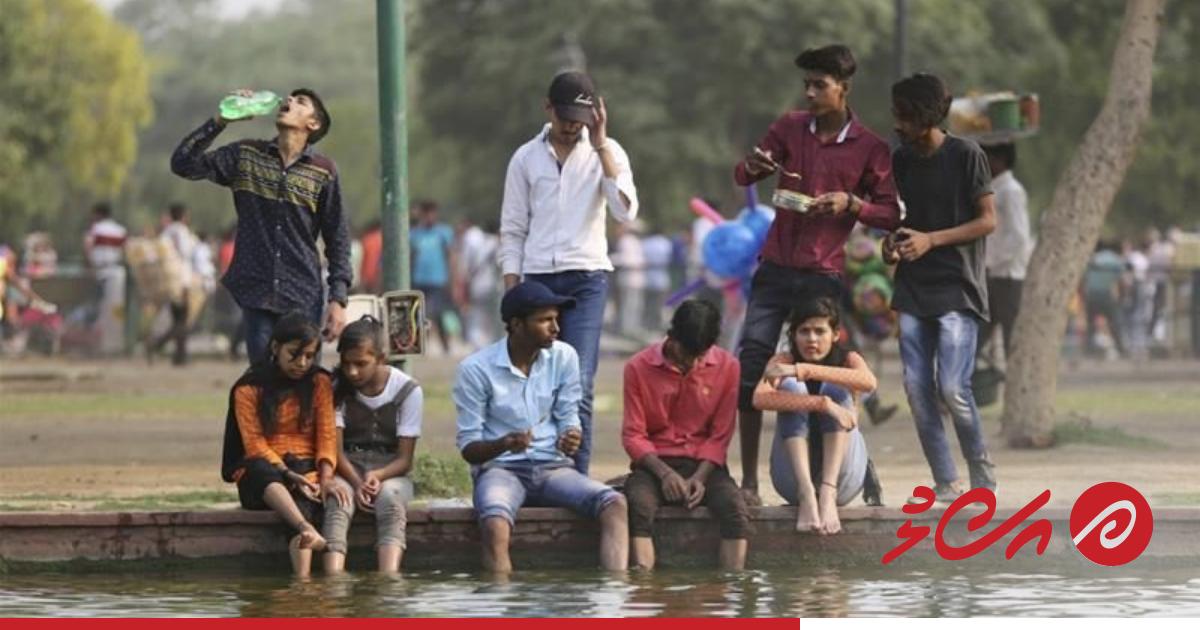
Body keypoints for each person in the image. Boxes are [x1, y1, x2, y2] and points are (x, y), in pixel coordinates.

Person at [731, 44, 901, 505]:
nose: (809, 92)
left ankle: (852, 472)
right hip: (775, 264)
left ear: (843, 89)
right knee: (750, 370)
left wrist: (851, 203)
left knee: (834, 376)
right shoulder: (789, 127)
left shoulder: (870, 147)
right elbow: (742, 176)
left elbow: (891, 211)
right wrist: (755, 166)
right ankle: (748, 481)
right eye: (806, 84)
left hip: (824, 272)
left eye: (819, 85)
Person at [498, 70, 640, 475]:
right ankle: (533, 470)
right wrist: (512, 293)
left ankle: (574, 477)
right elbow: (512, 228)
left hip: (587, 277)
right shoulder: (525, 158)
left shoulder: (608, 153)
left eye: (580, 119)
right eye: (565, 119)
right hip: (538, 279)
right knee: (531, 378)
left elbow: (624, 210)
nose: (571, 128)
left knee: (578, 383)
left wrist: (601, 149)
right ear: (548, 109)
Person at [453, 281, 628, 574]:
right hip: (501, 470)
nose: (556, 328)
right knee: (495, 523)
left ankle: (612, 598)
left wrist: (571, 435)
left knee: (615, 504)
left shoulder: (565, 357)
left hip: (553, 469)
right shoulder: (475, 369)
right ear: (517, 325)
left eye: (556, 319)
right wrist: (504, 444)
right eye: (545, 320)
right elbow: (469, 450)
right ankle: (503, 609)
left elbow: (568, 415)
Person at [170, 88, 351, 364]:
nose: (289, 101)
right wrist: (221, 120)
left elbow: (337, 238)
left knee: (303, 380)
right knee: (265, 382)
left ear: (312, 124)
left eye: (300, 102)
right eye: (288, 98)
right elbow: (183, 164)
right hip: (256, 290)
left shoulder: (323, 171)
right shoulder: (246, 155)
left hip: (303, 292)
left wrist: (338, 300)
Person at [882, 73, 998, 502]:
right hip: (913, 287)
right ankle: (946, 481)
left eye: (905, 116)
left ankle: (981, 470)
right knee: (917, 388)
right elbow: (896, 221)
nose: (898, 125)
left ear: (926, 116)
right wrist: (891, 246)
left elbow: (988, 220)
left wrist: (932, 239)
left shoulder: (967, 155)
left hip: (958, 286)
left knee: (952, 386)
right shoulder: (901, 161)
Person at [622, 300, 750, 570]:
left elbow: (721, 434)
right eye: (686, 353)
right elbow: (633, 434)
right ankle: (644, 591)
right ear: (672, 336)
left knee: (735, 510)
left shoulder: (729, 367)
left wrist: (700, 477)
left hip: (705, 466)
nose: (691, 363)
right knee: (639, 508)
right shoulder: (637, 367)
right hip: (653, 464)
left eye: (699, 355)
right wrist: (664, 473)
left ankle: (732, 586)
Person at [220, 312, 345, 577]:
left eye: (309, 356)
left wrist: (324, 477)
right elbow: (254, 445)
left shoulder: (319, 382)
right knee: (261, 469)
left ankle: (302, 586)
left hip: (307, 470)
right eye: (294, 354)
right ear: (275, 348)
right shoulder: (248, 388)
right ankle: (305, 528)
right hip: (262, 477)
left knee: (303, 500)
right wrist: (289, 475)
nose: (302, 363)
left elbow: (326, 434)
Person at [753, 298, 882, 534]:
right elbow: (759, 398)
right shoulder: (782, 361)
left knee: (836, 386)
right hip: (793, 483)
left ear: (835, 334)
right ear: (793, 335)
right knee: (791, 388)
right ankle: (807, 495)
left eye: (819, 331)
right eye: (804, 331)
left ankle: (827, 494)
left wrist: (802, 370)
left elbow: (869, 383)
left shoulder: (848, 359)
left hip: (842, 482)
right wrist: (822, 404)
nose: (812, 339)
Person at [322, 316, 423, 575]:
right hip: (347, 468)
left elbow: (405, 459)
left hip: (391, 471)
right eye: (346, 364)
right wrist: (357, 484)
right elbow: (336, 450)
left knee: (390, 500)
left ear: (381, 358)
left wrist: (377, 476)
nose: (352, 372)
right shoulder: (336, 388)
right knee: (339, 501)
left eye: (361, 364)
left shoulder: (408, 391)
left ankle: (387, 578)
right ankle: (333, 578)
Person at [979, 142, 1032, 360]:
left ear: (999, 160)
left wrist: (994, 261)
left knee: (1012, 337)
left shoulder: (1011, 191)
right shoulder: (994, 189)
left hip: (1007, 276)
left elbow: (1019, 236)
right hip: (992, 274)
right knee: (979, 330)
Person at [149, 202, 199, 365]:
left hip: (170, 281)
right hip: (182, 279)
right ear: (184, 216)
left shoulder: (166, 232)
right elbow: (185, 253)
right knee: (182, 319)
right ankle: (159, 345)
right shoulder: (182, 231)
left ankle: (180, 355)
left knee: (178, 318)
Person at [410, 200, 458, 354]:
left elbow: (450, 255)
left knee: (436, 312)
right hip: (419, 279)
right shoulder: (415, 234)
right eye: (427, 213)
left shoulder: (443, 232)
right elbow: (411, 256)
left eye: (432, 212)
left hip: (438, 279)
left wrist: (453, 278)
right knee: (423, 313)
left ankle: (444, 344)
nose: (430, 216)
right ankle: (425, 344)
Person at [1083, 241, 1129, 358]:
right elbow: (1123, 281)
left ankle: (1088, 351)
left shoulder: (1093, 258)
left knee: (1090, 324)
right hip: (1107, 295)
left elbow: (1084, 278)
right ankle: (1121, 349)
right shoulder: (1116, 260)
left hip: (1091, 294)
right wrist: (1122, 297)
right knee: (1115, 323)